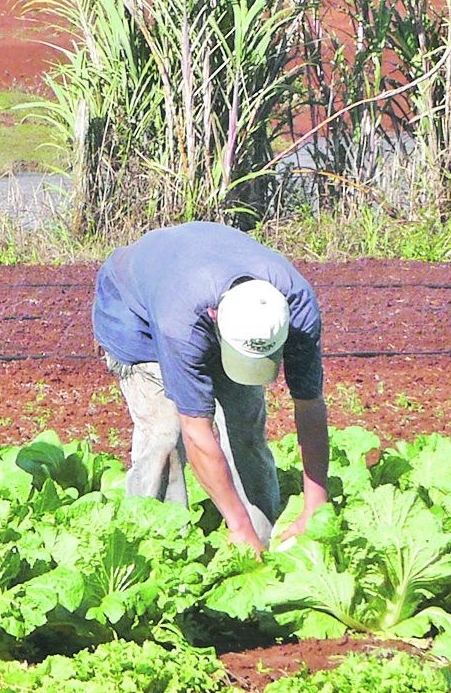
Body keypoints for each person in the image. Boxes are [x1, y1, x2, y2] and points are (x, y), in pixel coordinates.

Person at [91, 222, 330, 553]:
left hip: (201, 275)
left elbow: (310, 406)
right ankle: (155, 547)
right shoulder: (181, 325)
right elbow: (196, 431)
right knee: (164, 435)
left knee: (244, 426)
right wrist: (237, 524)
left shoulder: (297, 305)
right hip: (136, 311)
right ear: (216, 320)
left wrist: (315, 507)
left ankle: (261, 538)